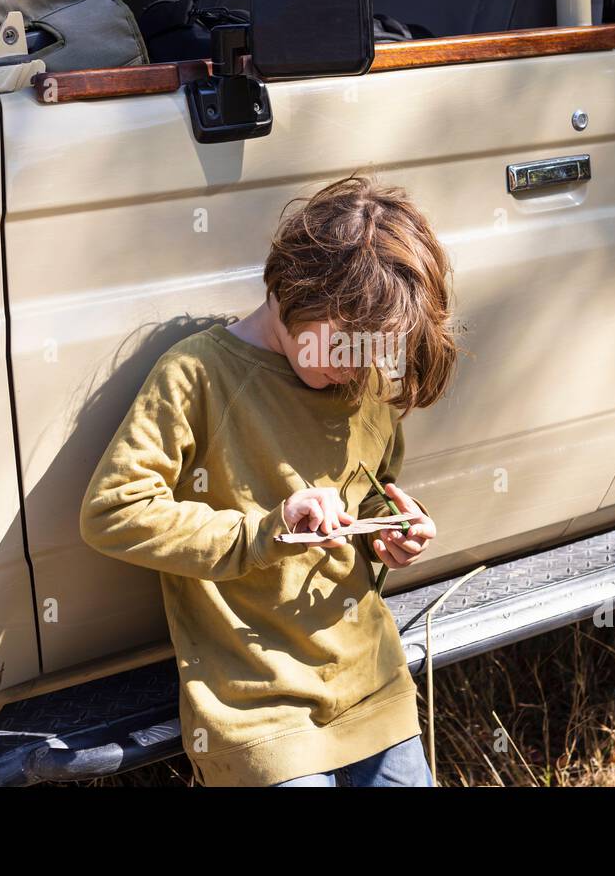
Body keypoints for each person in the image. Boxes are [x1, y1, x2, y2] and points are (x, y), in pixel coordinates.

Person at [79, 173, 458, 787]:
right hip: (259, 713)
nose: (357, 369)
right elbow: (113, 511)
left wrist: (387, 538)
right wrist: (265, 530)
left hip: (375, 691)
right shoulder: (197, 374)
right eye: (344, 348)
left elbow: (372, 495)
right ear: (295, 289)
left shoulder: (360, 378)